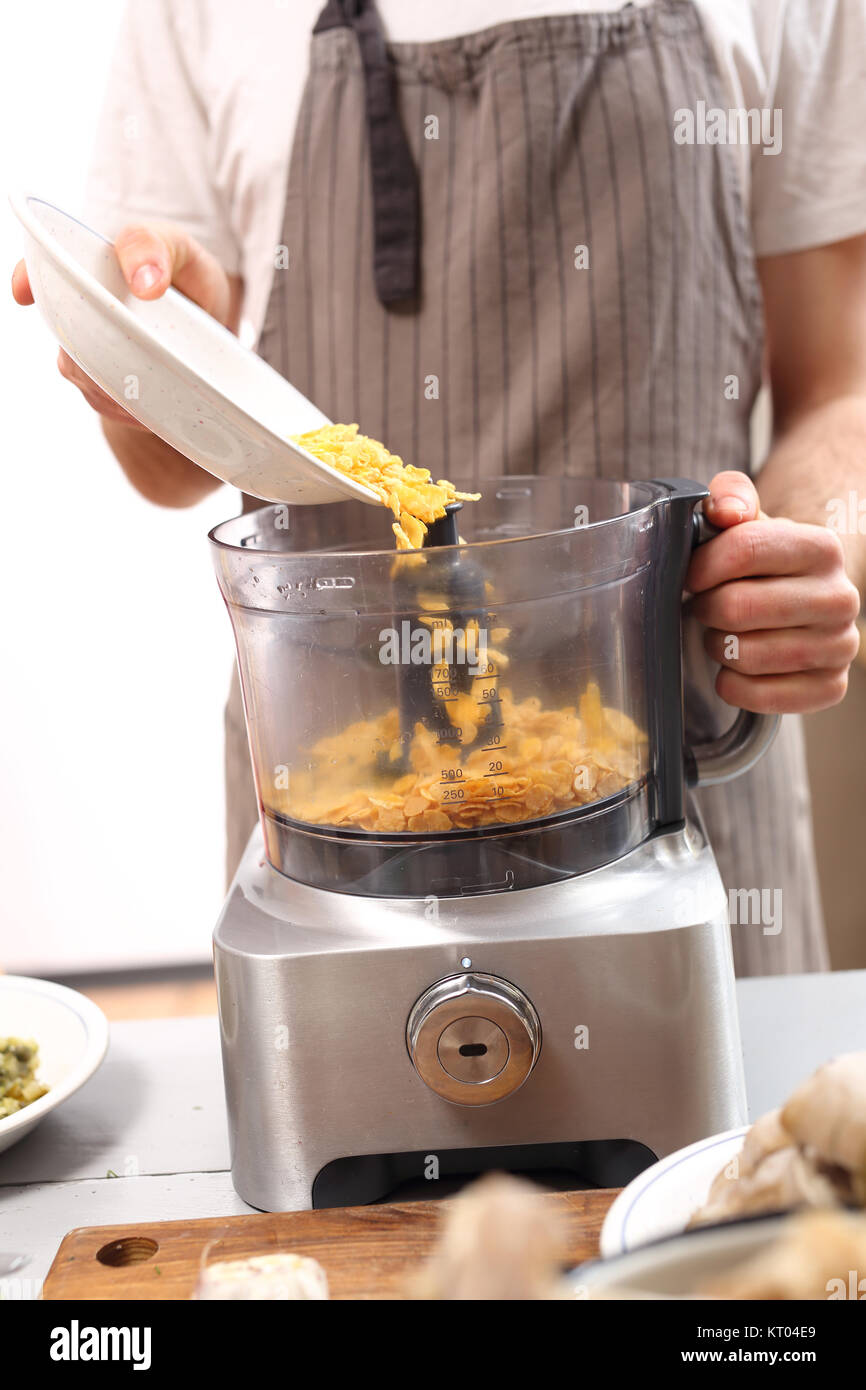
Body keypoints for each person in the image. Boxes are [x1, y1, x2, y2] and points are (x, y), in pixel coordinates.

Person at [12, 0, 865, 976]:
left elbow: (837, 390)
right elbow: (163, 470)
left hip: (681, 790)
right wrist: (161, 368)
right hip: (338, 839)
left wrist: (793, 562)